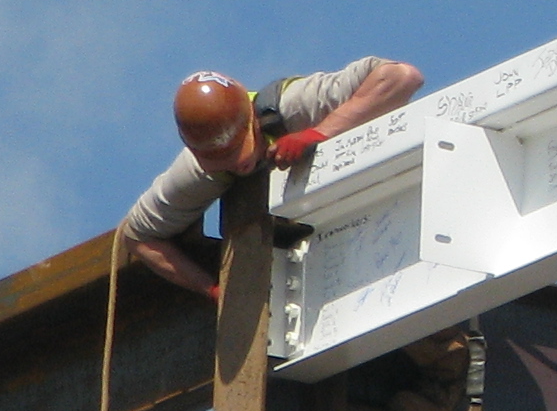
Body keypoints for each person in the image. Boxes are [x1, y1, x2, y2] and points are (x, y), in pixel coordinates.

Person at [122, 58, 423, 301]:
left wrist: (319, 133)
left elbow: (403, 77)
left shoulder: (293, 105)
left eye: (242, 151)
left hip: (390, 204)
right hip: (335, 254)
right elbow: (138, 237)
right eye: (223, 161)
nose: (239, 166)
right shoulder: (198, 170)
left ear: (251, 118)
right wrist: (210, 288)